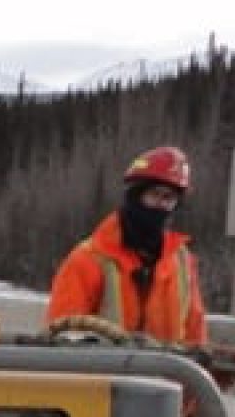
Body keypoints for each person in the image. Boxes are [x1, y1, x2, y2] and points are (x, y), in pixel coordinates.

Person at [46, 145, 207, 345]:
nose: (161, 205)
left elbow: (195, 336)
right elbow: (62, 338)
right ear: (135, 196)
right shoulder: (89, 259)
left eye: (169, 198)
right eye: (155, 194)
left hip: (167, 374)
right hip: (107, 374)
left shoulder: (182, 261)